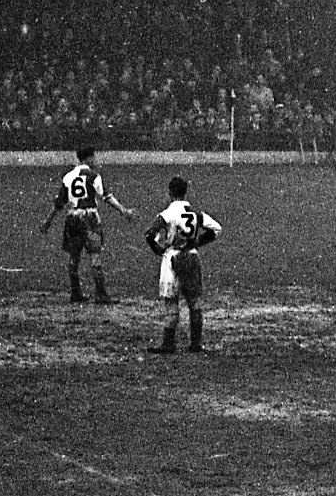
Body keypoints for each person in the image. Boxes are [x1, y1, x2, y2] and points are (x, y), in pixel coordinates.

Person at [38, 147, 135, 304]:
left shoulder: (68, 177)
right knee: (95, 255)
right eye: (93, 158)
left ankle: (75, 293)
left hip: (73, 218)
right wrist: (124, 211)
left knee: (73, 257)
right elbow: (107, 197)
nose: (95, 161)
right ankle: (101, 294)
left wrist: (47, 222)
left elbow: (59, 204)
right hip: (89, 217)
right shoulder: (93, 175)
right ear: (88, 158)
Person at [143, 177, 222, 354]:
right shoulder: (195, 213)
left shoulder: (168, 213)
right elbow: (216, 229)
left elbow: (149, 235)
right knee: (194, 302)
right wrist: (196, 243)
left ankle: (168, 344)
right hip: (192, 258)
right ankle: (195, 343)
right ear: (186, 192)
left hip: (172, 258)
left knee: (171, 303)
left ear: (169, 193)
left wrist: (159, 250)